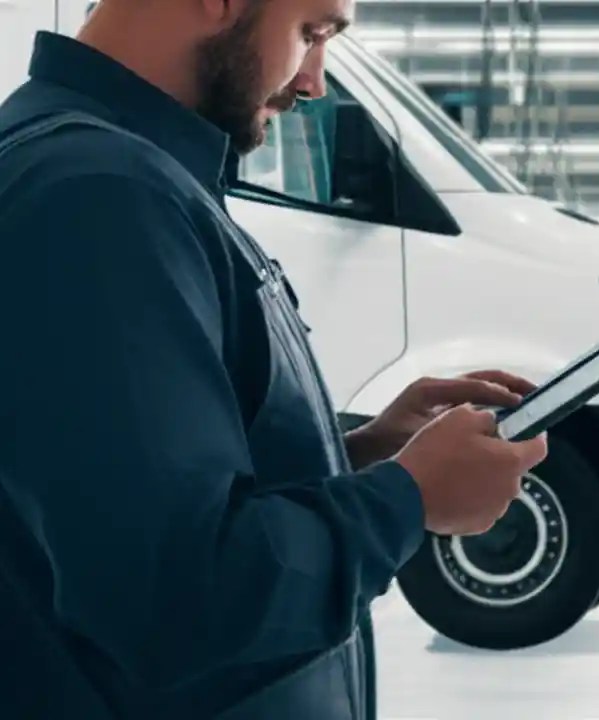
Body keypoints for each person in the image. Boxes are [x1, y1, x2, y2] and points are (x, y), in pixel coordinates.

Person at [0, 1, 549, 717]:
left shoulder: (131, 175)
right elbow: (170, 601)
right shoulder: (98, 197)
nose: (314, 80)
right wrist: (405, 502)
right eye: (311, 34)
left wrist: (354, 458)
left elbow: (138, 497)